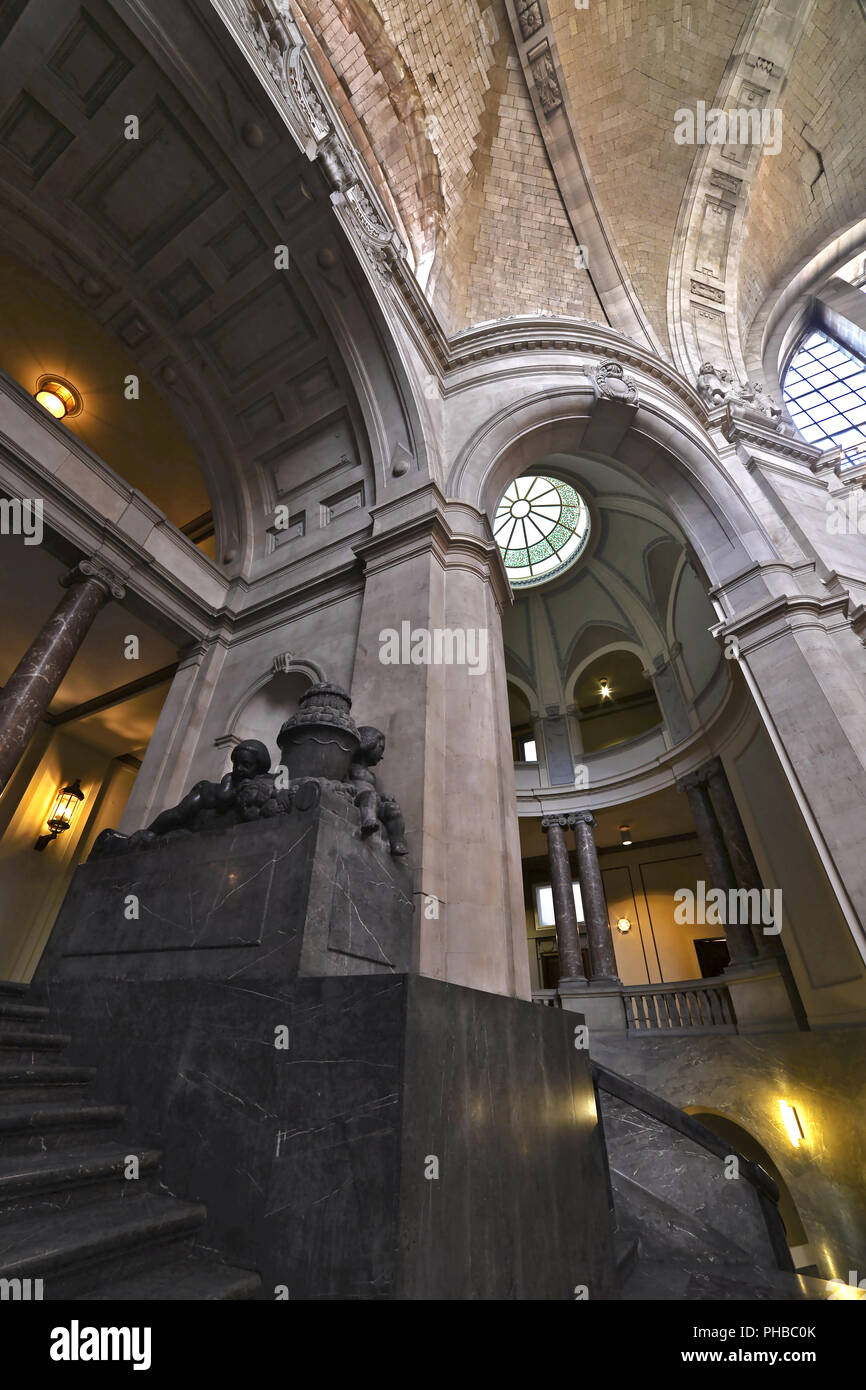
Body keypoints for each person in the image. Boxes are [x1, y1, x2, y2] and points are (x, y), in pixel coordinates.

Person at [350, 726, 408, 855]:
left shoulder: (372, 776)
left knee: (393, 808)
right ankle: (369, 822)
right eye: (380, 748)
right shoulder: (350, 766)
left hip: (372, 800)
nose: (381, 756)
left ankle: (397, 842)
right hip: (357, 797)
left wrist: (384, 798)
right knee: (370, 796)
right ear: (368, 744)